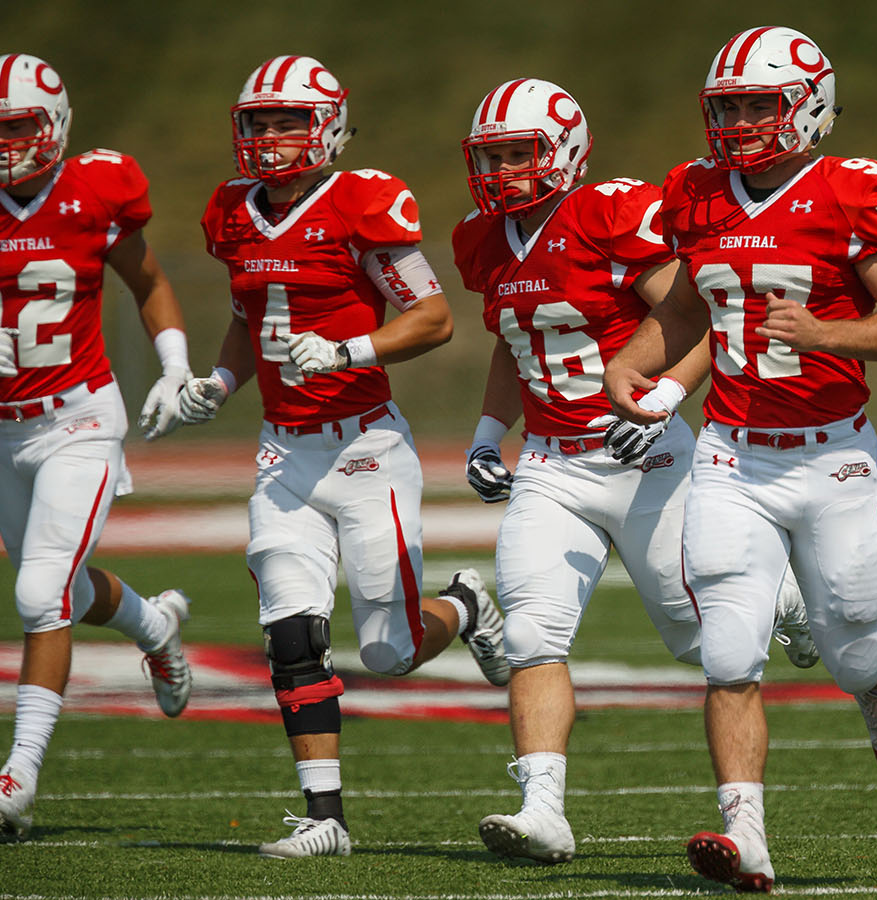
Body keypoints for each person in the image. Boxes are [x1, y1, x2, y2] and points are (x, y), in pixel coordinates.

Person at [451, 77, 817, 865]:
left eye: (520, 154)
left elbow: (701, 317)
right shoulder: (481, 240)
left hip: (645, 455)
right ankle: (542, 811)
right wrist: (486, 435)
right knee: (532, 631)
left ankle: (784, 597)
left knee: (699, 641)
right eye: (493, 157)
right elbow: (515, 341)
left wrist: (659, 395)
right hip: (551, 464)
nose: (504, 171)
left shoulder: (608, 212)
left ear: (565, 152)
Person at [604, 25, 877, 892]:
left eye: (760, 104)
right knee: (728, 653)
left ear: (810, 106)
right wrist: (633, 365)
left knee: (849, 638)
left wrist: (826, 332)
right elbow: (686, 309)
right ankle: (744, 834)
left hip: (832, 456)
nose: (741, 122)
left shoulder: (854, 190)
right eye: (730, 106)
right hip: (731, 454)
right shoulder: (695, 192)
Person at [169, 55, 508, 859]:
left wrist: (348, 349)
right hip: (282, 455)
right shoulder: (233, 211)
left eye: (287, 122)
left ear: (327, 128)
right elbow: (250, 317)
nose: (269, 137)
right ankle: (326, 817)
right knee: (291, 635)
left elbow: (433, 318)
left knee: (389, 652)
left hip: (364, 450)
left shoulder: (360, 202)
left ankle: (465, 604)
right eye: (258, 122)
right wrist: (219, 380)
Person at [0, 52, 194, 842]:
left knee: (39, 591)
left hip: (76, 419)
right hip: (4, 426)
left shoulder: (94, 191)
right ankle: (157, 627)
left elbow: (148, 282)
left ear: (55, 126)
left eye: (16, 126)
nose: (5, 143)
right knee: (64, 591)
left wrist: (174, 366)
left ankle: (17, 777)